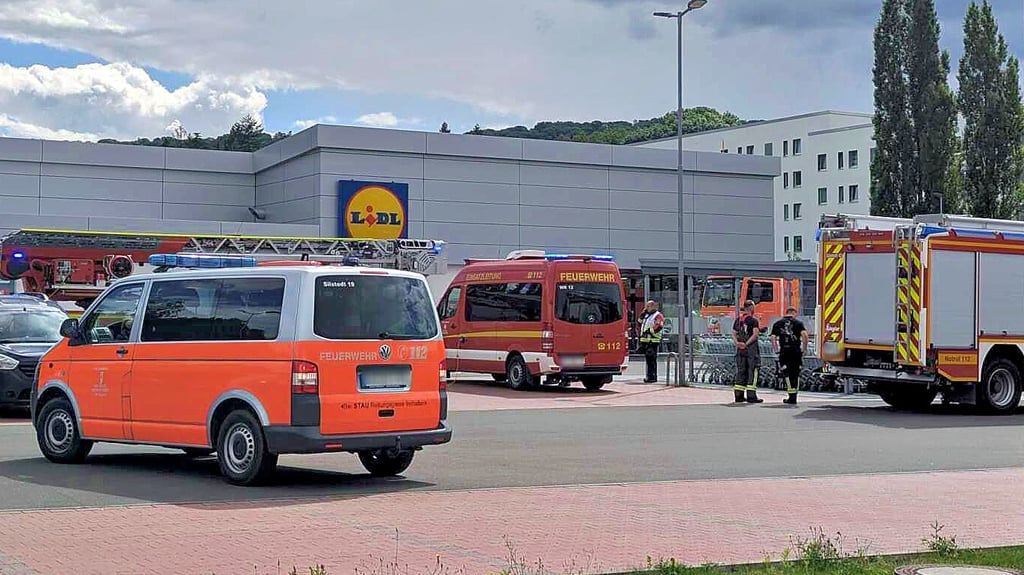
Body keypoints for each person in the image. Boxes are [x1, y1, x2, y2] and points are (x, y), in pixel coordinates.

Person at [770, 306, 809, 405]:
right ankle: (794, 396)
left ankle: (790, 395)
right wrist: (804, 349)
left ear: (786, 312)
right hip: (795, 350)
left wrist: (776, 350)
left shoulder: (778, 323)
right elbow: (805, 335)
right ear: (794, 313)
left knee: (786, 372)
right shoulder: (798, 323)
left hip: (784, 351)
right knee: (795, 372)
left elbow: (773, 338)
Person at [732, 300, 763, 403]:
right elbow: (755, 335)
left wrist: (738, 343)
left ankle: (739, 395)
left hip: (740, 351)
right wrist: (746, 344)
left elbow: (734, 333)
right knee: (753, 371)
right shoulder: (753, 321)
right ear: (752, 308)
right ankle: (751, 396)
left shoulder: (738, 320)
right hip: (751, 350)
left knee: (741, 371)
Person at [638, 300, 665, 383]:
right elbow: (639, 323)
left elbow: (659, 326)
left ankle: (652, 377)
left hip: (653, 341)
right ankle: (649, 376)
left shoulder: (658, 315)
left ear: (653, 306)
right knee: (648, 360)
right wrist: (642, 314)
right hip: (646, 341)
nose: (646, 308)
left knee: (651, 360)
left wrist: (649, 331)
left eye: (648, 306)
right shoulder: (647, 315)